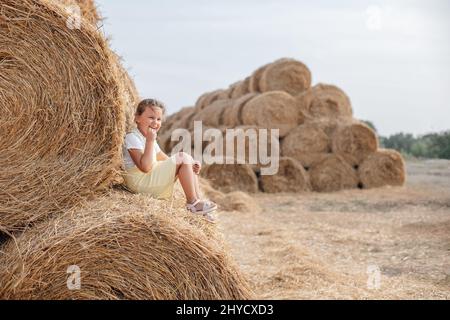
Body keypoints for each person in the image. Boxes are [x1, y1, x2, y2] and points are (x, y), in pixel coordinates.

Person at [122, 98, 217, 222]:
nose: (155, 122)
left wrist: (189, 164)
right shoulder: (132, 137)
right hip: (140, 182)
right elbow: (144, 167)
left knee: (187, 159)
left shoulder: (150, 139)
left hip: (149, 179)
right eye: (151, 117)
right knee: (183, 157)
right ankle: (192, 203)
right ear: (137, 118)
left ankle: (198, 205)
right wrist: (150, 141)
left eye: (159, 119)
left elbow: (166, 159)